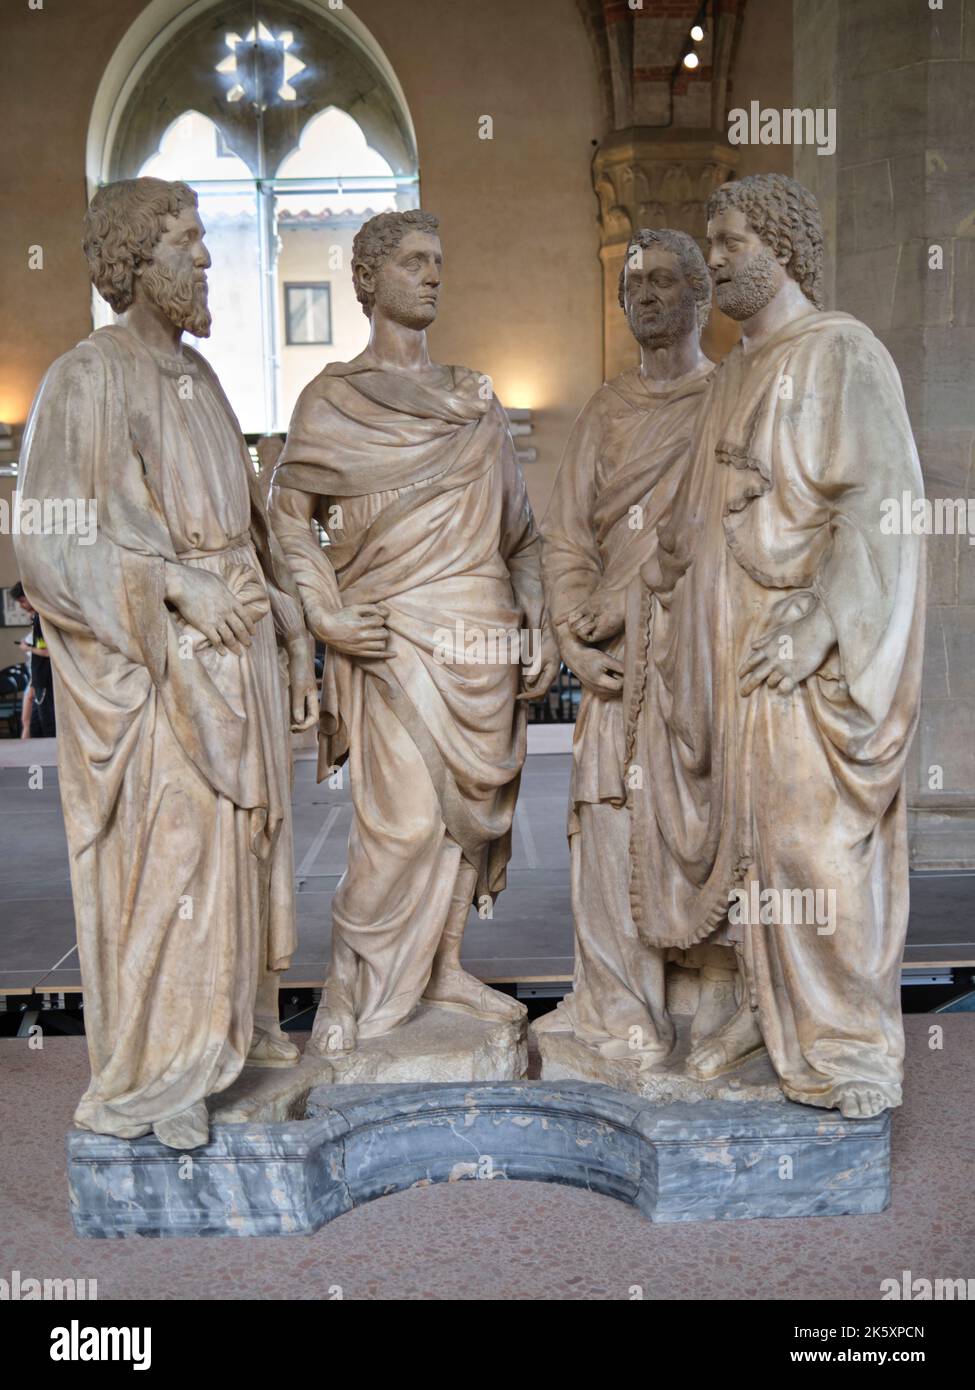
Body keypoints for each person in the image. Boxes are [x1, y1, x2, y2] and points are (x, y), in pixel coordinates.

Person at [15, 178, 318, 1148]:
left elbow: (242, 538)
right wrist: (174, 588)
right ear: (132, 260)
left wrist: (284, 613)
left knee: (240, 857)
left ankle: (234, 1040)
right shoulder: (86, 377)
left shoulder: (204, 381)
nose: (207, 259)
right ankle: (159, 1071)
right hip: (160, 681)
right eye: (188, 242)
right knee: (175, 861)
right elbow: (49, 542)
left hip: (237, 666)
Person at [628, 175, 925, 1117]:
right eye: (711, 241)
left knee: (809, 841)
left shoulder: (840, 352)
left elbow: (881, 508)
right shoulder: (731, 375)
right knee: (755, 843)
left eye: (733, 241)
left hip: (796, 653)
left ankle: (846, 1040)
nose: (715, 260)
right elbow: (691, 524)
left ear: (785, 247)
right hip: (726, 649)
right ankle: (773, 1006)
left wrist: (824, 621)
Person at [270, 209, 558, 1051]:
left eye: (438, 261)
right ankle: (359, 999)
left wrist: (537, 615)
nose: (432, 275)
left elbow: (522, 536)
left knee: (469, 818)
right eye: (412, 262)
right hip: (392, 639)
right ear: (367, 280)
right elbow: (287, 518)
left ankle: (439, 973)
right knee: (397, 826)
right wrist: (323, 612)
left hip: (482, 638)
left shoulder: (474, 398)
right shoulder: (334, 398)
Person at [538, 228, 736, 1061]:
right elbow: (564, 537)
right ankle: (622, 1006)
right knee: (610, 818)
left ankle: (714, 995)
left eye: (662, 280)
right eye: (633, 284)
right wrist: (571, 631)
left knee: (703, 819)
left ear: (699, 293)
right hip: (618, 669)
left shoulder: (728, 398)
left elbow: (731, 527)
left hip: (699, 653)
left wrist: (629, 598)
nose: (645, 295)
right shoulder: (607, 411)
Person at [11, 581, 56, 738]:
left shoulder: (41, 618)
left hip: (45, 680)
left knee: (49, 727)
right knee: (35, 727)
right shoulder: (37, 618)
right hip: (39, 680)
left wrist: (27, 648)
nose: (22, 606)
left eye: (23, 601)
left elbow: (47, 652)